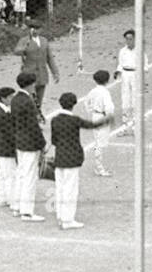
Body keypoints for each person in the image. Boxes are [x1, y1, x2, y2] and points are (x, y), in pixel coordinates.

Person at [49, 91, 100, 230]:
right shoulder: (74, 120)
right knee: (70, 189)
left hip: (60, 157)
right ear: (73, 104)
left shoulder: (55, 120)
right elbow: (91, 125)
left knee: (60, 187)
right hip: (72, 158)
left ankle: (60, 215)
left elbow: (54, 140)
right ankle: (68, 219)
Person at [11, 72, 47, 222]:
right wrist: (42, 143)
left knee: (21, 173)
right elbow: (33, 126)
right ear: (30, 84)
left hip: (19, 140)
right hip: (30, 142)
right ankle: (27, 212)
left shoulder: (15, 99)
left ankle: (16, 206)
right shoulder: (28, 101)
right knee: (30, 177)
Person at [14, 20, 59, 118]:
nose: (35, 31)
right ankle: (31, 118)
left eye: (37, 29)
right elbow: (16, 51)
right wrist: (26, 45)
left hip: (42, 74)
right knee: (31, 99)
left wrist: (55, 72)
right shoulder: (24, 40)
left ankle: (36, 118)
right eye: (32, 28)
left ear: (41, 29)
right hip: (29, 75)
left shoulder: (44, 40)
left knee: (39, 99)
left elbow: (49, 58)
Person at [79, 69, 115, 177]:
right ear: (107, 80)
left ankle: (98, 165)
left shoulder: (93, 91)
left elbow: (86, 102)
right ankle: (99, 167)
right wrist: (110, 117)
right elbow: (109, 107)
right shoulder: (105, 92)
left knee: (97, 140)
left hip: (95, 115)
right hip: (103, 117)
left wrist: (91, 111)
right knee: (100, 143)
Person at [0, 86, 18, 212]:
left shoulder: (3, 112)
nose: (12, 99)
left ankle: (3, 197)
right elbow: (10, 133)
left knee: (3, 174)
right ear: (3, 99)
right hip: (6, 149)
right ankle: (11, 200)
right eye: (10, 97)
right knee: (10, 175)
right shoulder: (2, 114)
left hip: (1, 149)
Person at [114, 29, 139, 132]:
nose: (128, 41)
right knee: (125, 97)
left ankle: (135, 119)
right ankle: (125, 119)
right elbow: (120, 64)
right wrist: (118, 71)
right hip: (125, 74)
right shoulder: (122, 51)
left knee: (135, 97)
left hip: (135, 74)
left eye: (130, 39)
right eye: (127, 39)